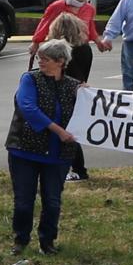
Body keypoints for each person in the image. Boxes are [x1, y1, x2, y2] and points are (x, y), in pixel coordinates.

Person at [5, 40, 83, 255]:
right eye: (40, 58)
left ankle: (47, 242)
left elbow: (92, 110)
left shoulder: (73, 86)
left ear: (60, 62)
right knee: (23, 200)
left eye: (45, 59)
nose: (40, 62)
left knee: (52, 201)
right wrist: (59, 131)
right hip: (25, 149)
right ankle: (20, 239)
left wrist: (88, 95)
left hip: (58, 154)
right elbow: (28, 108)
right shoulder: (30, 79)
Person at [44, 13, 96, 181]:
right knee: (69, 130)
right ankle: (75, 168)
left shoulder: (61, 52)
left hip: (63, 92)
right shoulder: (85, 48)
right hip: (78, 91)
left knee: (65, 132)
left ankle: (78, 169)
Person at [29, 0, 109, 72]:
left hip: (82, 46)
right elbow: (44, 24)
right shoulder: (57, 6)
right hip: (60, 47)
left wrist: (99, 42)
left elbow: (90, 28)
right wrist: (36, 42)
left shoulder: (89, 8)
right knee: (62, 74)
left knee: (81, 76)